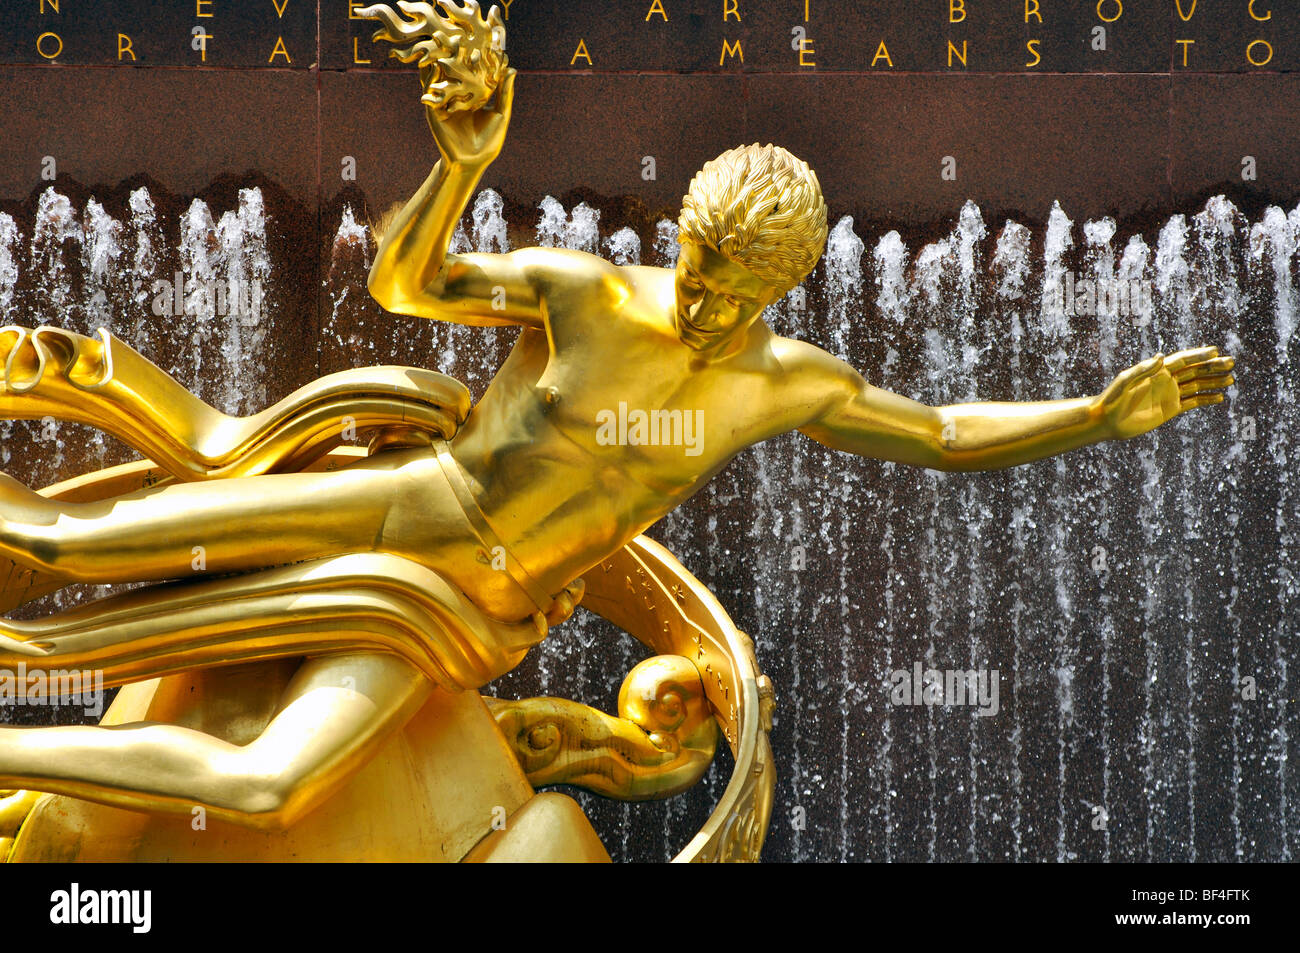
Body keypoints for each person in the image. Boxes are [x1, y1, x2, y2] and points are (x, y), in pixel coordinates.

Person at [0, 48, 1233, 832]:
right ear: (681, 234)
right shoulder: (589, 292)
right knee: (54, 542)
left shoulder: (782, 382)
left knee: (269, 785)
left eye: (733, 293)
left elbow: (947, 432)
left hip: (460, 614)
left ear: (785, 287)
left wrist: (1095, 412)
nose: (699, 304)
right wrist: (459, 162)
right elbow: (406, 285)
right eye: (695, 266)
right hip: (401, 506)